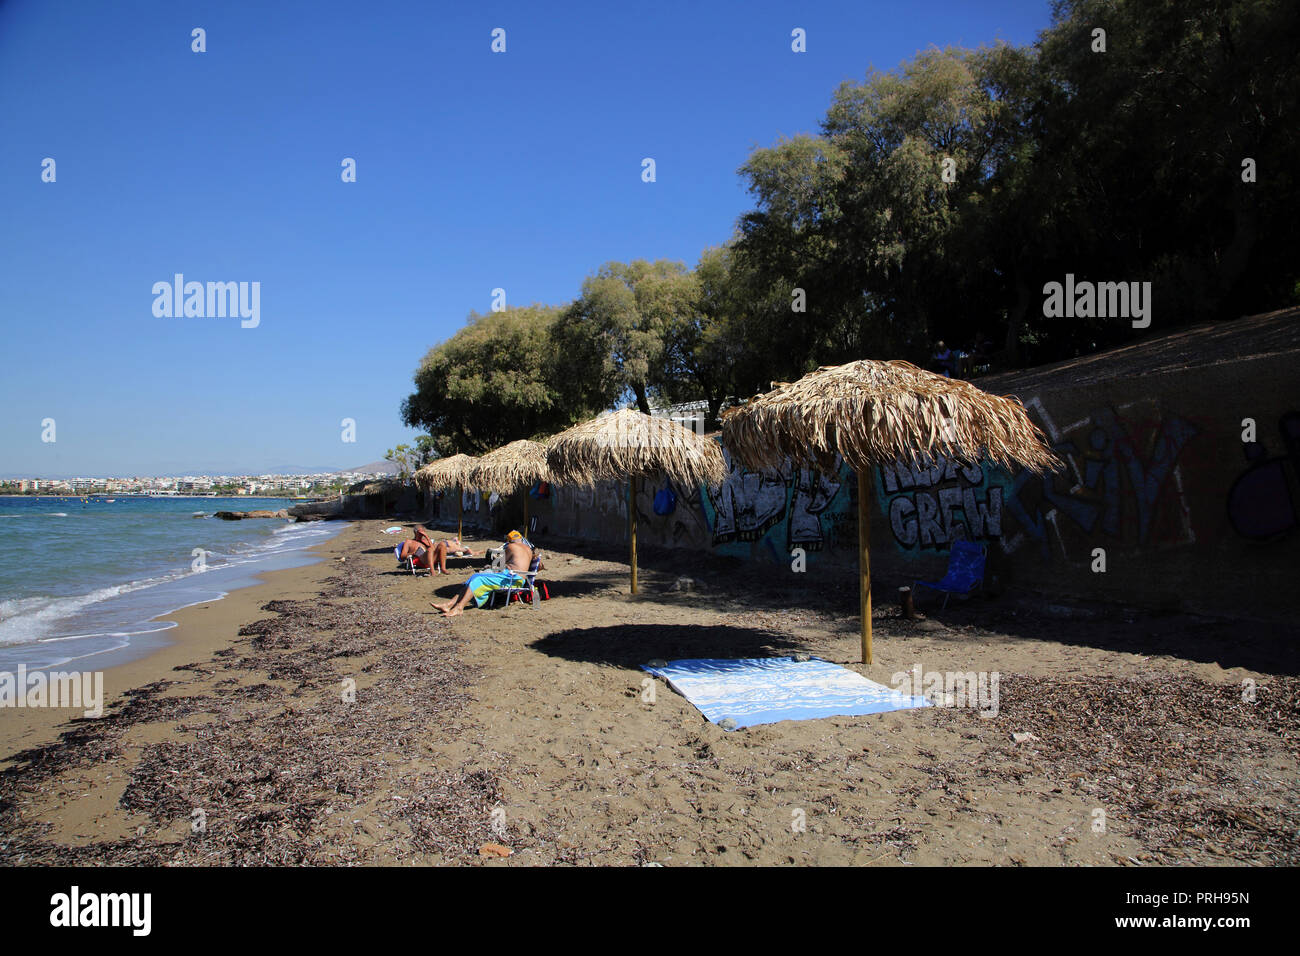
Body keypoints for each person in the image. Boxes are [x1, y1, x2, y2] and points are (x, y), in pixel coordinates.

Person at [431, 530, 543, 616]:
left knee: (478, 578)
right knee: (473, 577)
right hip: (517, 579)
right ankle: (450, 604)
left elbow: (497, 566)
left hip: (511, 579)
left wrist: (494, 560)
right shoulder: (528, 549)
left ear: (508, 541)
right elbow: (537, 566)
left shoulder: (511, 547)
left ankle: (459, 607)